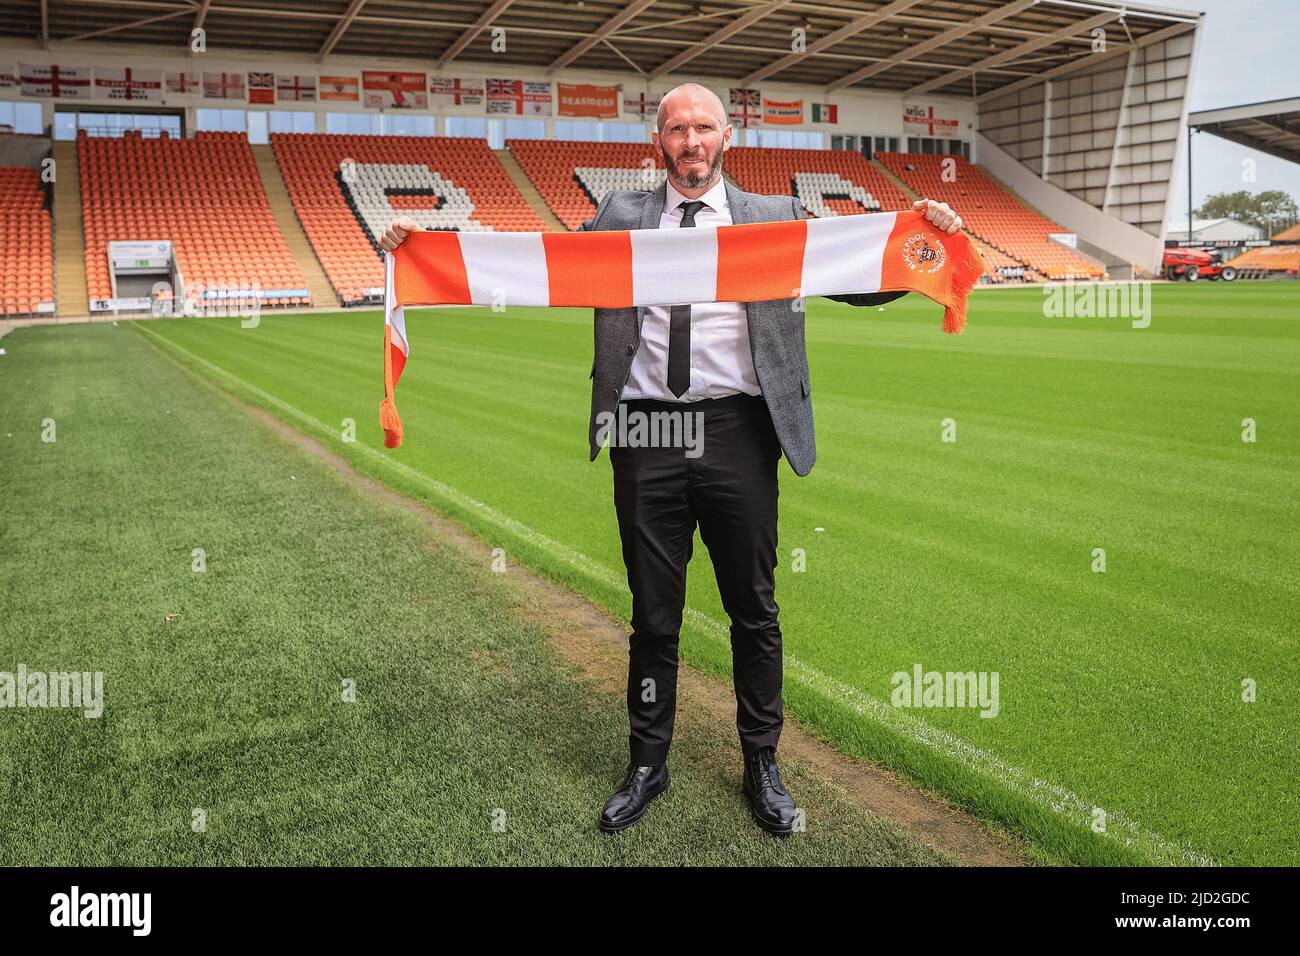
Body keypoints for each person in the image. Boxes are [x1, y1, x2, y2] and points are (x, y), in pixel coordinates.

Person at [380, 82, 963, 838]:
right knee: (654, 614)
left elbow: (857, 275)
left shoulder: (775, 218)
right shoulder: (623, 216)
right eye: (678, 130)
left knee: (753, 611)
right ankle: (647, 764)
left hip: (738, 430)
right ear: (659, 142)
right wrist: (420, 246)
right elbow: (533, 264)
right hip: (646, 430)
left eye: (705, 128)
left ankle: (762, 763)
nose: (692, 142)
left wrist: (928, 235)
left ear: (729, 137)